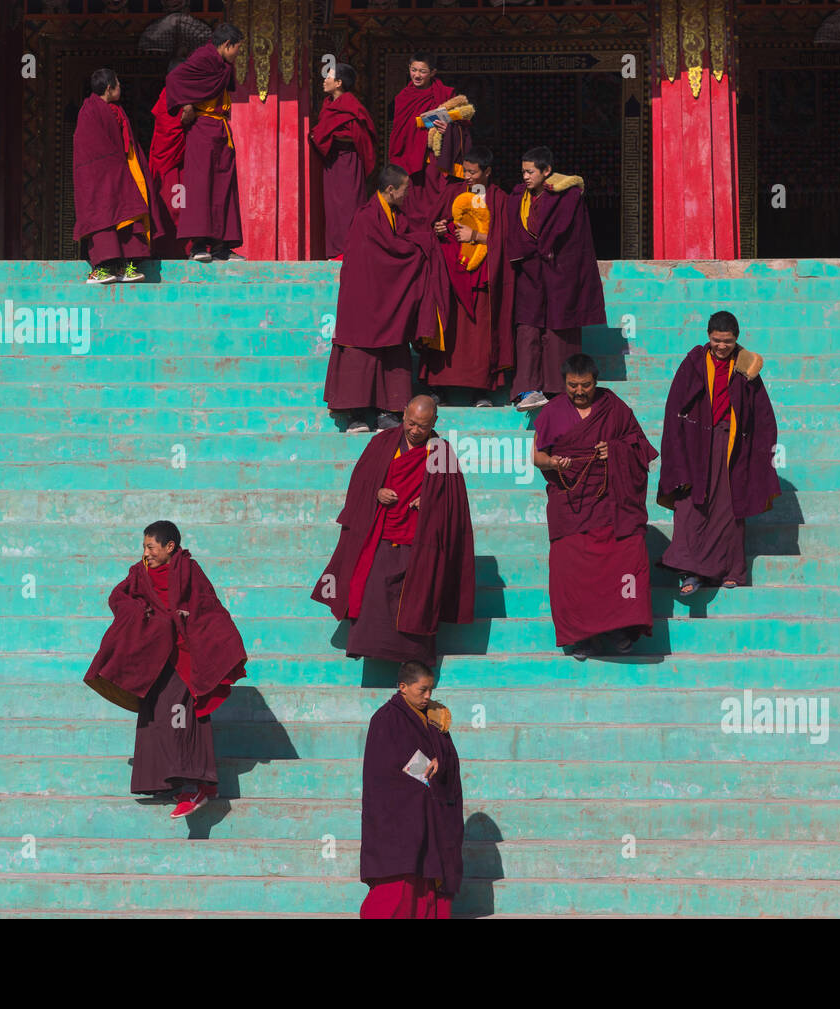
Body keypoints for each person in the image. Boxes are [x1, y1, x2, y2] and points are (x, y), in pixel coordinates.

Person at [84, 521, 247, 819]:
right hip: (157, 657)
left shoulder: (189, 571)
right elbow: (118, 597)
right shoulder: (140, 572)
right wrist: (142, 613)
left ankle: (196, 786)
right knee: (156, 715)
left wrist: (181, 620)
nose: (146, 553)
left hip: (187, 656)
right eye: (144, 547)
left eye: (151, 547)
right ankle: (171, 783)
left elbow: (207, 607)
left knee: (182, 717)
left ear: (170, 547)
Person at [311, 396, 475, 665]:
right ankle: (371, 651)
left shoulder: (441, 452)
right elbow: (360, 486)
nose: (414, 430)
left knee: (416, 601)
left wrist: (431, 500)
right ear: (404, 415)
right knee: (372, 594)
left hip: (421, 544)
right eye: (410, 423)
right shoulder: (382, 443)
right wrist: (377, 492)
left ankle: (412, 663)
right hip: (382, 536)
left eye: (422, 426)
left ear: (434, 422)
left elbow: (455, 504)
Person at [531, 355, 657, 660]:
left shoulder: (614, 407)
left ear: (595, 381)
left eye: (585, 385)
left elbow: (640, 448)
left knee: (627, 556)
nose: (579, 391)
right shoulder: (553, 411)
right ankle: (583, 637)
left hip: (612, 505)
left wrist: (613, 450)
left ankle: (621, 629)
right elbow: (537, 457)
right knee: (571, 569)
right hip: (571, 505)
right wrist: (554, 461)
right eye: (573, 386)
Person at [658, 311, 780, 593]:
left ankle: (730, 571)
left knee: (729, 510)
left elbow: (762, 415)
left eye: (727, 341)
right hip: (695, 444)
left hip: (731, 445)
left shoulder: (746, 365)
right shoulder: (693, 363)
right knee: (689, 507)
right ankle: (691, 572)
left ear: (736, 339)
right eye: (716, 340)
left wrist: (758, 454)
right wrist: (676, 454)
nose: (722, 346)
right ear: (708, 337)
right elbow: (674, 409)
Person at [324, 164, 451, 433]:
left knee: (394, 346)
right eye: (405, 190)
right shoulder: (366, 217)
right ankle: (356, 415)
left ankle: (388, 411)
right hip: (364, 300)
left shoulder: (393, 213)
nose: (407, 196)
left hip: (387, 298)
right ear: (390, 189)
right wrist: (418, 250)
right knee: (361, 351)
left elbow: (405, 237)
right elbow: (387, 253)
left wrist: (428, 238)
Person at [359, 661, 464, 919]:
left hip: (430, 812)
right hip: (398, 816)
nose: (428, 696)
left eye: (431, 690)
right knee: (397, 886)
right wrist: (429, 769)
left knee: (427, 874)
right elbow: (385, 767)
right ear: (403, 687)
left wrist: (440, 760)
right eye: (422, 690)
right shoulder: (385, 719)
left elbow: (448, 758)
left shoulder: (435, 717)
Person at [506, 147, 606, 412]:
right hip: (529, 273)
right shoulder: (518, 196)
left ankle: (557, 388)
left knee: (557, 331)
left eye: (530, 172)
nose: (525, 177)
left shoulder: (567, 197)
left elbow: (576, 241)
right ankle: (527, 389)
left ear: (546, 171)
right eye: (523, 171)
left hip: (559, 272)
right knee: (526, 329)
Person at [421, 146, 515, 406]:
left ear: (488, 172)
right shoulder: (452, 192)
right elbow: (432, 225)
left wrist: (477, 237)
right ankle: (439, 387)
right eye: (466, 171)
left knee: (480, 335)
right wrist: (438, 229)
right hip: (452, 273)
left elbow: (508, 240)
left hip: (483, 276)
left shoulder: (499, 198)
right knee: (449, 329)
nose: (468, 177)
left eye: (474, 172)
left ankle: (480, 390)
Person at [165, 23, 244, 262]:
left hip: (220, 130)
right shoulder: (204, 58)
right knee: (200, 186)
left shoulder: (223, 65)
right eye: (237, 49)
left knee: (224, 186)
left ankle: (221, 246)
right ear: (227, 44)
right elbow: (174, 78)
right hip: (201, 130)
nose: (238, 54)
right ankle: (198, 246)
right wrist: (187, 104)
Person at [72, 68, 160, 284]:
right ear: (109, 88)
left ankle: (127, 268)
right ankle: (103, 270)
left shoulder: (116, 110)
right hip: (99, 177)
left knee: (128, 213)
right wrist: (112, 168)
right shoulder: (89, 111)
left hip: (120, 172)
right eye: (118, 84)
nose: (121, 87)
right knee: (103, 217)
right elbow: (89, 148)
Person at [388, 53, 474, 233]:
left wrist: (448, 130)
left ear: (433, 72)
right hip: (413, 162)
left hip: (438, 162)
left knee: (440, 203)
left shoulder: (446, 94)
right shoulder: (402, 98)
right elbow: (399, 134)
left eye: (423, 71)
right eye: (413, 70)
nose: (417, 75)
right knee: (413, 204)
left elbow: (464, 127)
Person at [309, 62, 376, 260]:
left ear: (339, 83)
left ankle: (350, 251)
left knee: (349, 207)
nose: (324, 81)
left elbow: (359, 136)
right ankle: (334, 252)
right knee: (333, 209)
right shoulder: (328, 104)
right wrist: (323, 135)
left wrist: (324, 134)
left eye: (328, 77)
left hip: (348, 162)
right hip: (332, 163)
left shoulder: (351, 105)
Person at [148, 50, 195, 261]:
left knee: (179, 206)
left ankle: (180, 249)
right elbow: (172, 126)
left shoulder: (174, 95)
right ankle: (171, 250)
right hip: (170, 164)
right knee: (173, 207)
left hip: (173, 162)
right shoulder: (172, 96)